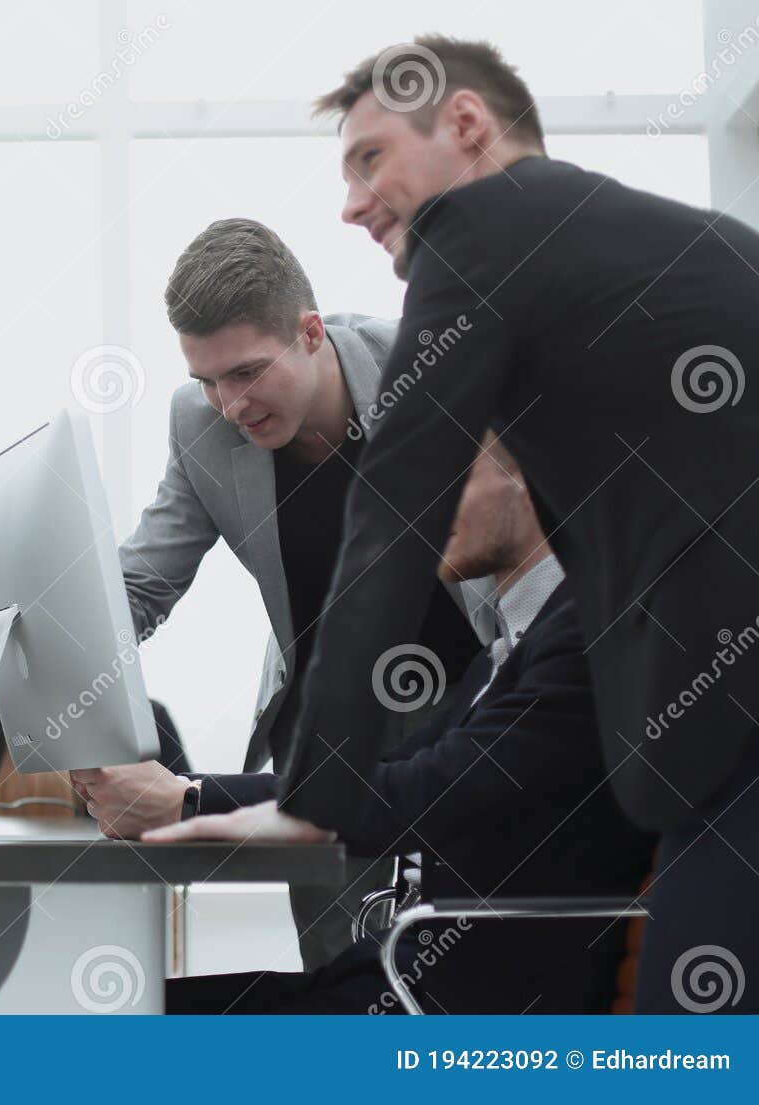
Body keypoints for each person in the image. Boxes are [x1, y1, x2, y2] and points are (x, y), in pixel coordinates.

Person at [167, 35, 759, 1014]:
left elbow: (392, 514)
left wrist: (315, 803)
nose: (351, 203)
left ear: (468, 125)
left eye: (370, 159)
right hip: (717, 720)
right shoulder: (616, 257)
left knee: (690, 1045)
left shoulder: (485, 232)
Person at [132, 437, 658, 1011]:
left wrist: (189, 801)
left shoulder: (590, 636)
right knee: (128, 1009)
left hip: (473, 1013)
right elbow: (389, 770)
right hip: (407, 977)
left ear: (534, 479)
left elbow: (427, 789)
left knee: (123, 1023)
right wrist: (188, 793)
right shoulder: (508, 649)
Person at [114, 217, 493, 966]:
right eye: (207, 379)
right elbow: (142, 582)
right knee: (340, 972)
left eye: (247, 372)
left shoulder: (429, 369)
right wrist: (67, 671)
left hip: (469, 701)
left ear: (311, 332)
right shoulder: (200, 425)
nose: (230, 403)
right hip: (331, 732)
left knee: (472, 963)